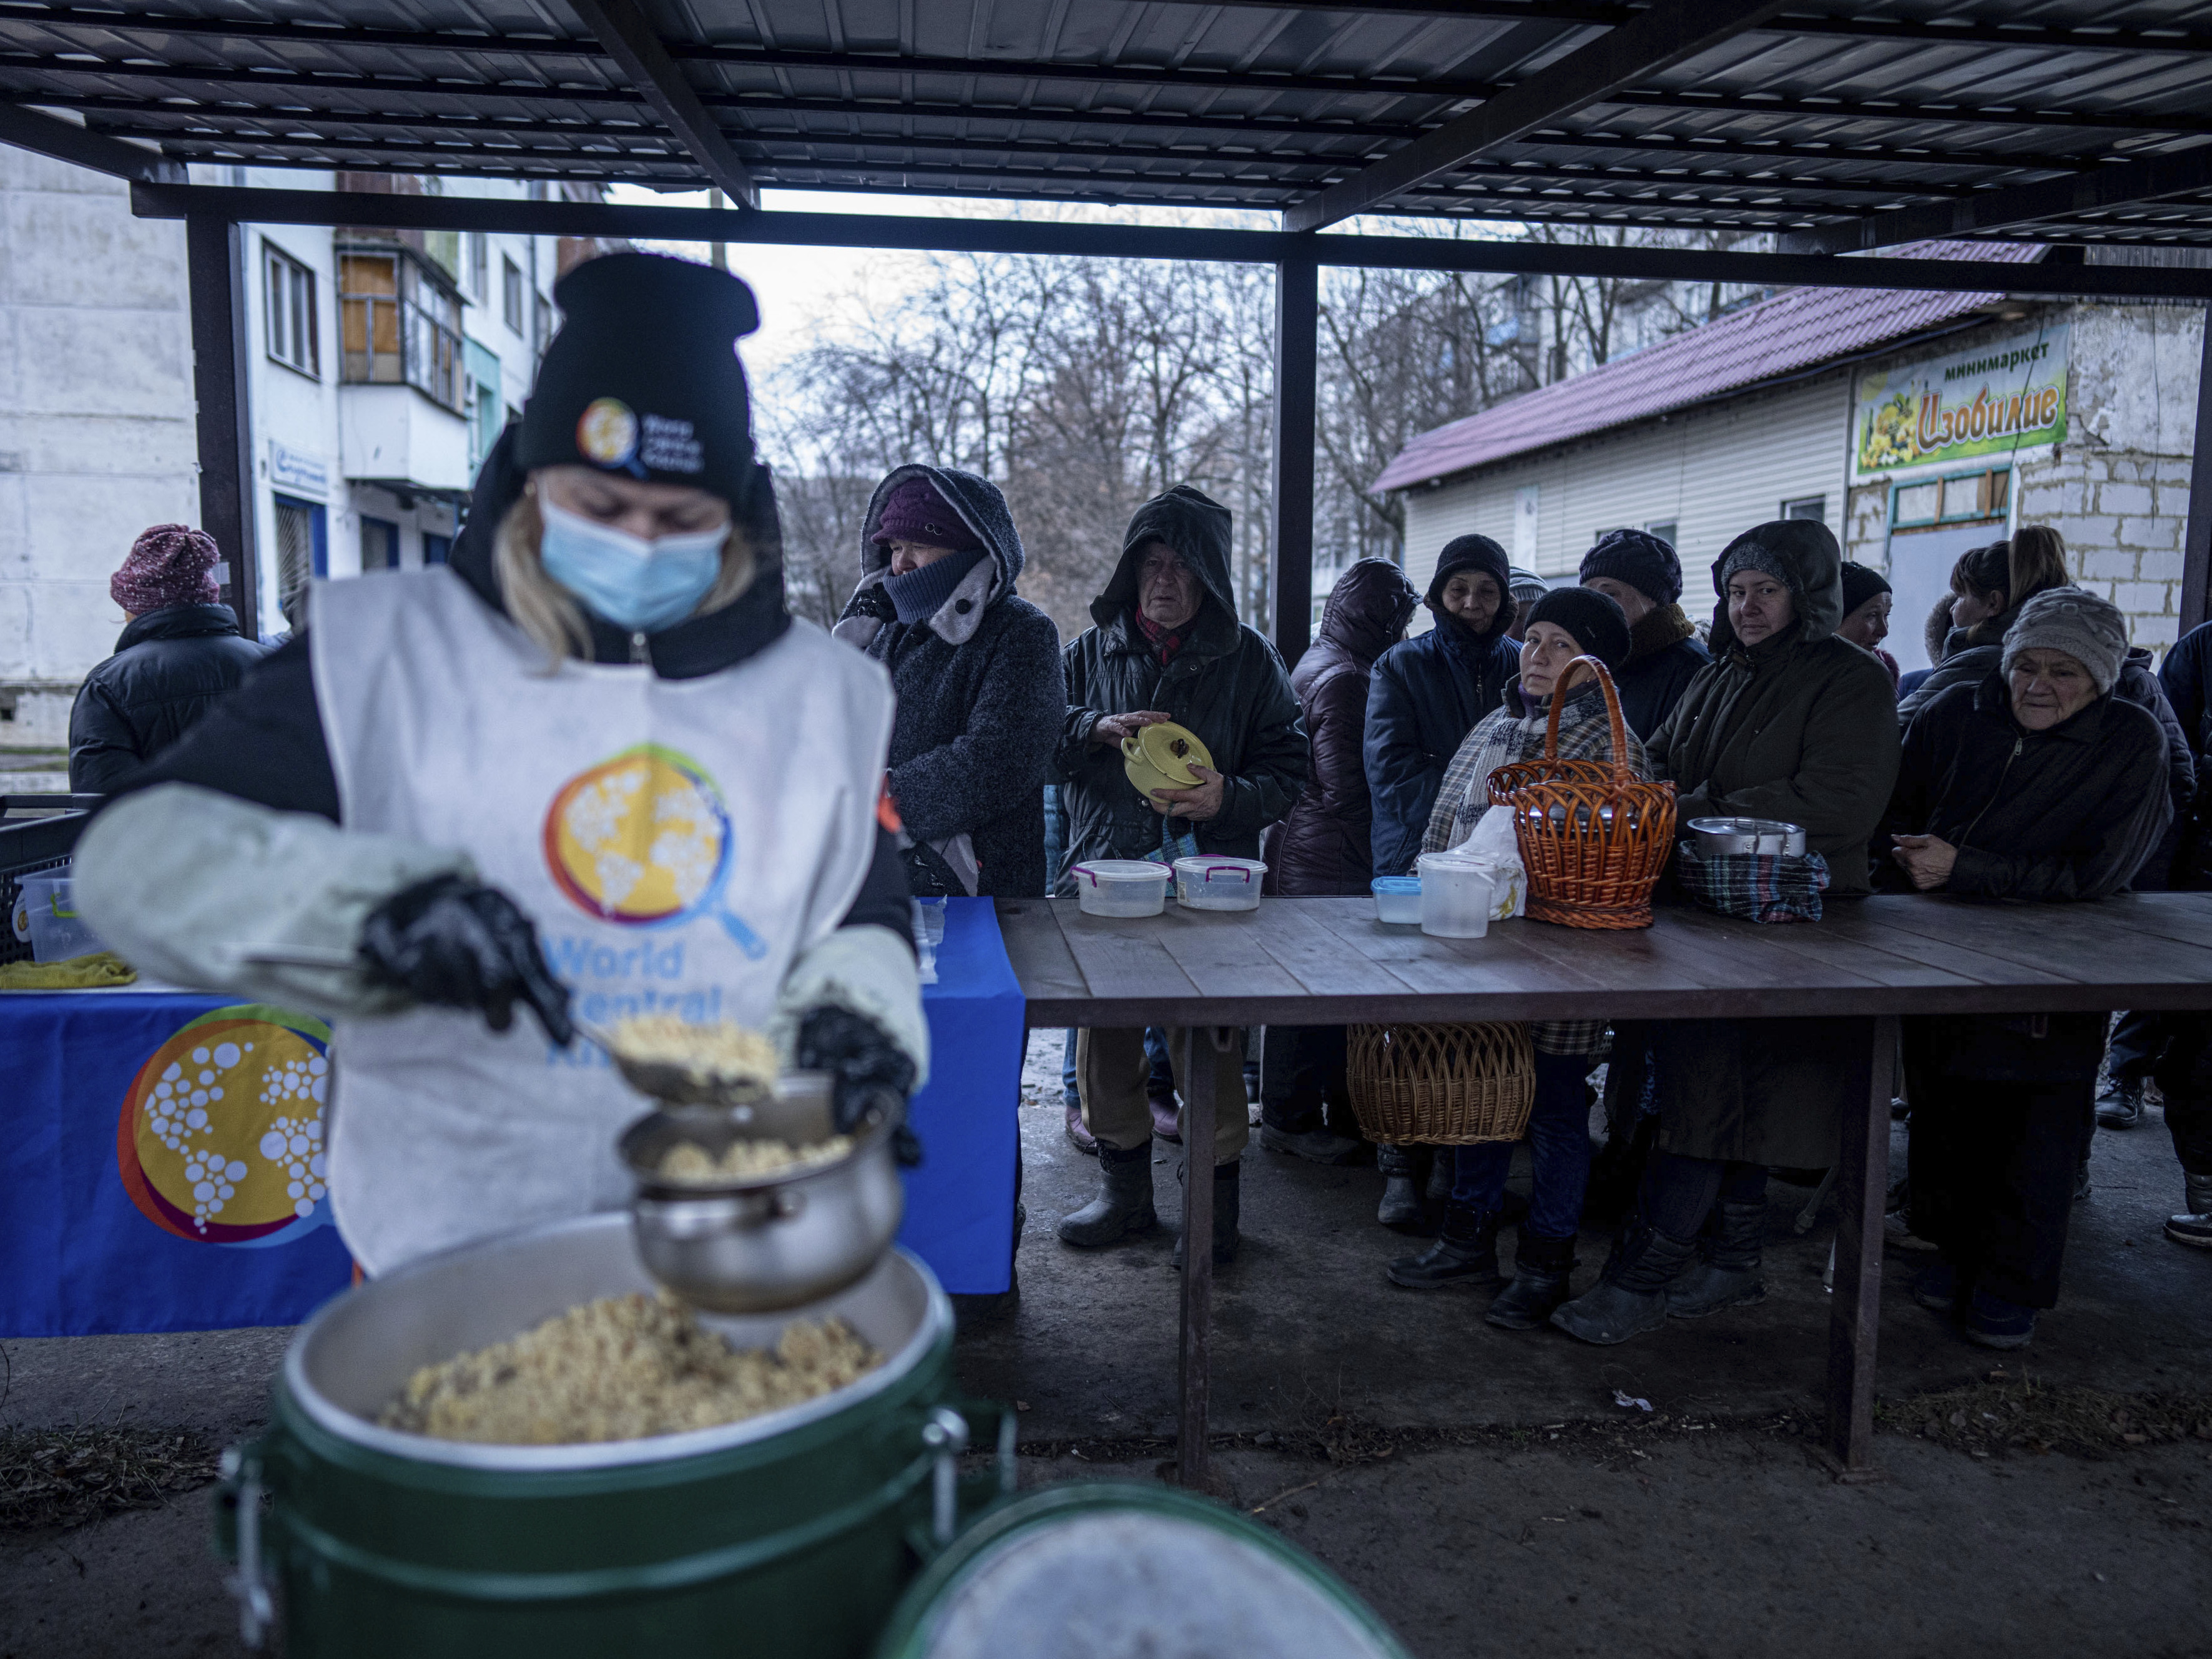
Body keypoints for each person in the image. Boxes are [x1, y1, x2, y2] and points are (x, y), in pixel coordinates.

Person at [71, 254, 927, 1276]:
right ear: (531, 479)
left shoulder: (819, 694)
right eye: (601, 508)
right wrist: (375, 917)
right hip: (448, 1234)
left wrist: (854, 1016)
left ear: (737, 511)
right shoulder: (381, 656)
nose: (640, 544)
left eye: (682, 522)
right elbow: (140, 858)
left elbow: (860, 917)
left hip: (726, 1231)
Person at [1550, 519, 1901, 1346]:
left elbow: (1838, 803)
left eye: (1764, 590)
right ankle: (1733, 1259)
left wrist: (1681, 811)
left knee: (1718, 1093)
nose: (1744, 607)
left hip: (1795, 916)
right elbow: (1658, 760)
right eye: (1734, 591)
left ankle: (1640, 1277)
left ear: (1807, 596)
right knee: (1722, 1092)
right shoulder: (1720, 674)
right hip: (1707, 908)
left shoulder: (1848, 682)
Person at [1876, 588, 2170, 1347]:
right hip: (1940, 949)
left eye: (2064, 671)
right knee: (1944, 1110)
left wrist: (1965, 867)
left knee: (2034, 1129)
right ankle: (1956, 1251)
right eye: (2027, 666)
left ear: (2100, 679)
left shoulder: (2130, 741)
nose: (2039, 685)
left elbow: (2101, 871)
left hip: (2059, 964)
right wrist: (1903, 854)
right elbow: (1898, 805)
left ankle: (2012, 1285)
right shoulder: (1957, 713)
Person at [1054, 485, 1307, 1266]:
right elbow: (1034, 747)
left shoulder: (1249, 657)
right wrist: (1091, 729)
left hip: (1206, 884)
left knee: (1211, 1045)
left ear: (1210, 578)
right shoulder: (1087, 654)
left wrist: (1226, 795)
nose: (1163, 580)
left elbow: (1292, 766)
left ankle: (1213, 1214)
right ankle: (1125, 1198)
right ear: (1130, 573)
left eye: (1182, 566)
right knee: (1106, 1040)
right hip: (1105, 875)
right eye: (1150, 563)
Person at [1390, 586, 1641, 1329]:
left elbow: (1608, 855)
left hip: (1563, 956)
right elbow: (1444, 824)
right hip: (1478, 951)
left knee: (1557, 1106)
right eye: (1534, 640)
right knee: (1482, 1092)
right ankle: (1468, 1234)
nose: (1539, 657)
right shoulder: (1495, 724)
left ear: (1594, 665)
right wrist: (1429, 903)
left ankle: (1546, 1261)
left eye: (1562, 645)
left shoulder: (1605, 742)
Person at [833, 466, 1063, 898]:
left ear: (968, 546)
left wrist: (878, 802)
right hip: (879, 879)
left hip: (984, 893)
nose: (900, 563)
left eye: (919, 545)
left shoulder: (1021, 632)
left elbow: (995, 763)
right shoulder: (878, 630)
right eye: (896, 546)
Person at [1259, 557, 1419, 1164]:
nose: (1403, 632)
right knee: (1317, 1000)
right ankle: (1292, 1121)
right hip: (1331, 859)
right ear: (1381, 617)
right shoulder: (1350, 677)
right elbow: (1348, 788)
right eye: (1399, 619)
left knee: (1304, 994)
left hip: (1300, 847)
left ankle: (1295, 1114)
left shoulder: (1316, 656)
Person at [1364, 535, 1522, 881]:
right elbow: (1391, 772)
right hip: (1413, 848)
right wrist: (1473, 817)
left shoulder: (1523, 664)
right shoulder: (1401, 665)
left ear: (1504, 598)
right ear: (1439, 595)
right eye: (1458, 589)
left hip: (1504, 850)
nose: (1471, 603)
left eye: (1487, 591)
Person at [67, 524, 268, 793]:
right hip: (271, 834)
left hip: (161, 835)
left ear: (137, 605)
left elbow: (99, 797)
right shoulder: (274, 665)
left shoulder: (109, 685)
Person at [1896, 528, 2072, 724]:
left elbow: (1895, 727)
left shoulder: (1978, 662)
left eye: (1962, 596)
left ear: (1993, 604)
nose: (1953, 608)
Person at [1578, 528, 1709, 741]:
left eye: (1610, 594)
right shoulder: (1592, 663)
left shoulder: (1693, 670)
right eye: (1587, 593)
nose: (1594, 605)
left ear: (1653, 599)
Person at [1836, 563, 1899, 690]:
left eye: (1886, 615)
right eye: (1872, 615)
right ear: (1837, 619)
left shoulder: (1882, 676)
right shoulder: (1808, 680)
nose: (1884, 631)